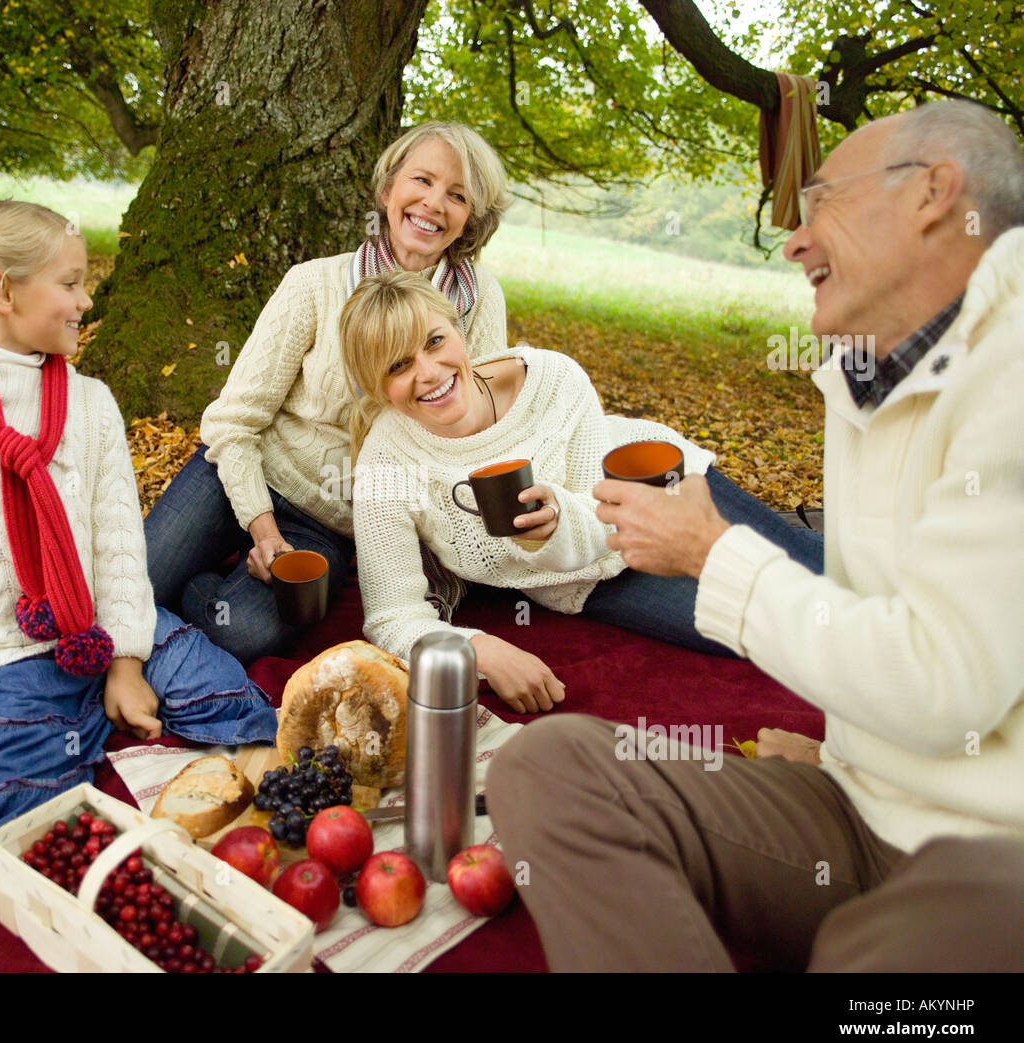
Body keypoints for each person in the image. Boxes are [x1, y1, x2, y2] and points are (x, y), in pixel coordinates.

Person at [487, 100, 1024, 970]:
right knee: (546, 770)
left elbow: (949, 686)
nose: (795, 241)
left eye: (822, 204)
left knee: (892, 950)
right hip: (851, 815)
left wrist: (711, 553)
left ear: (934, 194)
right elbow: (880, 614)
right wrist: (847, 748)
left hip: (994, 859)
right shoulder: (869, 367)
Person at [0, 200, 275, 840]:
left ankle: (85, 724)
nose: (85, 301)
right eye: (70, 284)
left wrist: (128, 663)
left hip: (101, 629)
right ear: (2, 290)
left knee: (227, 699)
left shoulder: (91, 403)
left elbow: (121, 547)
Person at [340, 272, 824, 715]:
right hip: (593, 578)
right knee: (771, 626)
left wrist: (559, 518)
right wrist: (477, 649)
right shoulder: (386, 462)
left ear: (457, 329)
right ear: (376, 386)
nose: (428, 372)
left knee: (819, 570)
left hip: (652, 485)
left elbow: (605, 516)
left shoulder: (552, 379)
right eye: (399, 365)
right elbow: (392, 617)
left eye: (435, 341)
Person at [143, 122, 513, 663]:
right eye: (422, 180)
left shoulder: (478, 304)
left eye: (458, 195)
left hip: (333, 521)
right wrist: (261, 527)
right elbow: (233, 422)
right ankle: (195, 570)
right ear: (388, 190)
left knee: (244, 633)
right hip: (246, 472)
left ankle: (195, 587)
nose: (435, 203)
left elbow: (474, 433)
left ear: (470, 219)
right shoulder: (313, 284)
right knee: (127, 588)